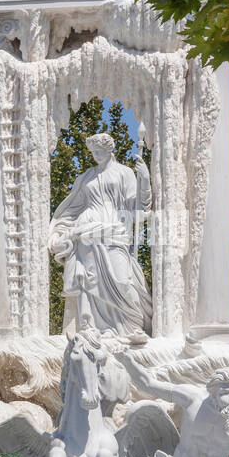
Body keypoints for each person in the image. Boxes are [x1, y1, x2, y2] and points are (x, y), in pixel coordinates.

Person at [49, 131, 153, 337]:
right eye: (93, 151)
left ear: (109, 149)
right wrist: (62, 230)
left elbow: (137, 208)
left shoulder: (124, 173)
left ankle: (132, 327)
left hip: (114, 231)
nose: (95, 155)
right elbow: (74, 205)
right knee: (90, 281)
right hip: (85, 232)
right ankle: (97, 328)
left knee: (122, 280)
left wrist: (145, 179)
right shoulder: (86, 177)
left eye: (99, 151)